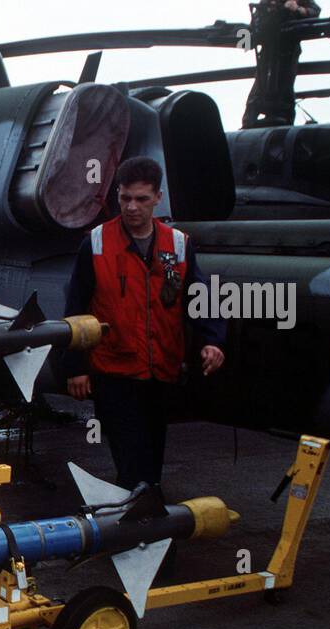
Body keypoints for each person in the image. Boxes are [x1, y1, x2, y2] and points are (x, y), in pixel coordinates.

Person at [64, 156, 226, 495]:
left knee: (151, 462)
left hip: (159, 372)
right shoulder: (95, 244)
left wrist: (213, 340)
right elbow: (75, 306)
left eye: (141, 199)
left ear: (158, 198)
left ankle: (142, 524)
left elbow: (199, 297)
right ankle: (140, 529)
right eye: (124, 199)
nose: (132, 207)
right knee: (132, 461)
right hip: (114, 373)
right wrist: (76, 367)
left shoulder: (178, 245)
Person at [242, 0, 322, 128]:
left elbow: (315, 11)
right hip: (267, 52)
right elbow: (252, 29)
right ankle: (249, 121)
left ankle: (284, 118)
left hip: (288, 51)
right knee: (260, 86)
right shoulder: (264, 4)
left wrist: (298, 9)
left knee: (285, 85)